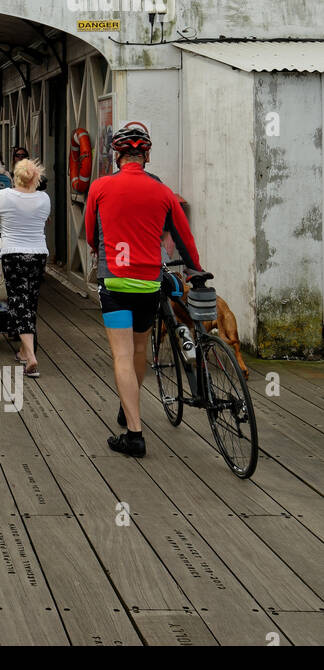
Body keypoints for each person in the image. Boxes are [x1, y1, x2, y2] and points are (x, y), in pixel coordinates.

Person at [84, 121, 203, 459]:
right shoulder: (163, 192)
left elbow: (92, 235)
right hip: (148, 283)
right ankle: (130, 401)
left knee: (121, 354)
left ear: (116, 155)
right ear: (146, 155)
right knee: (139, 350)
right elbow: (185, 239)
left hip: (115, 283)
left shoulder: (100, 187)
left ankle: (134, 433)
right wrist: (194, 270)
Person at [0, 159, 50, 377]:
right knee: (30, 300)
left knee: (17, 300)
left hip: (14, 254)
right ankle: (24, 351)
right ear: (36, 178)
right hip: (39, 255)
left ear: (15, 176)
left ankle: (31, 357)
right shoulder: (44, 199)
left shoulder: (4, 196)